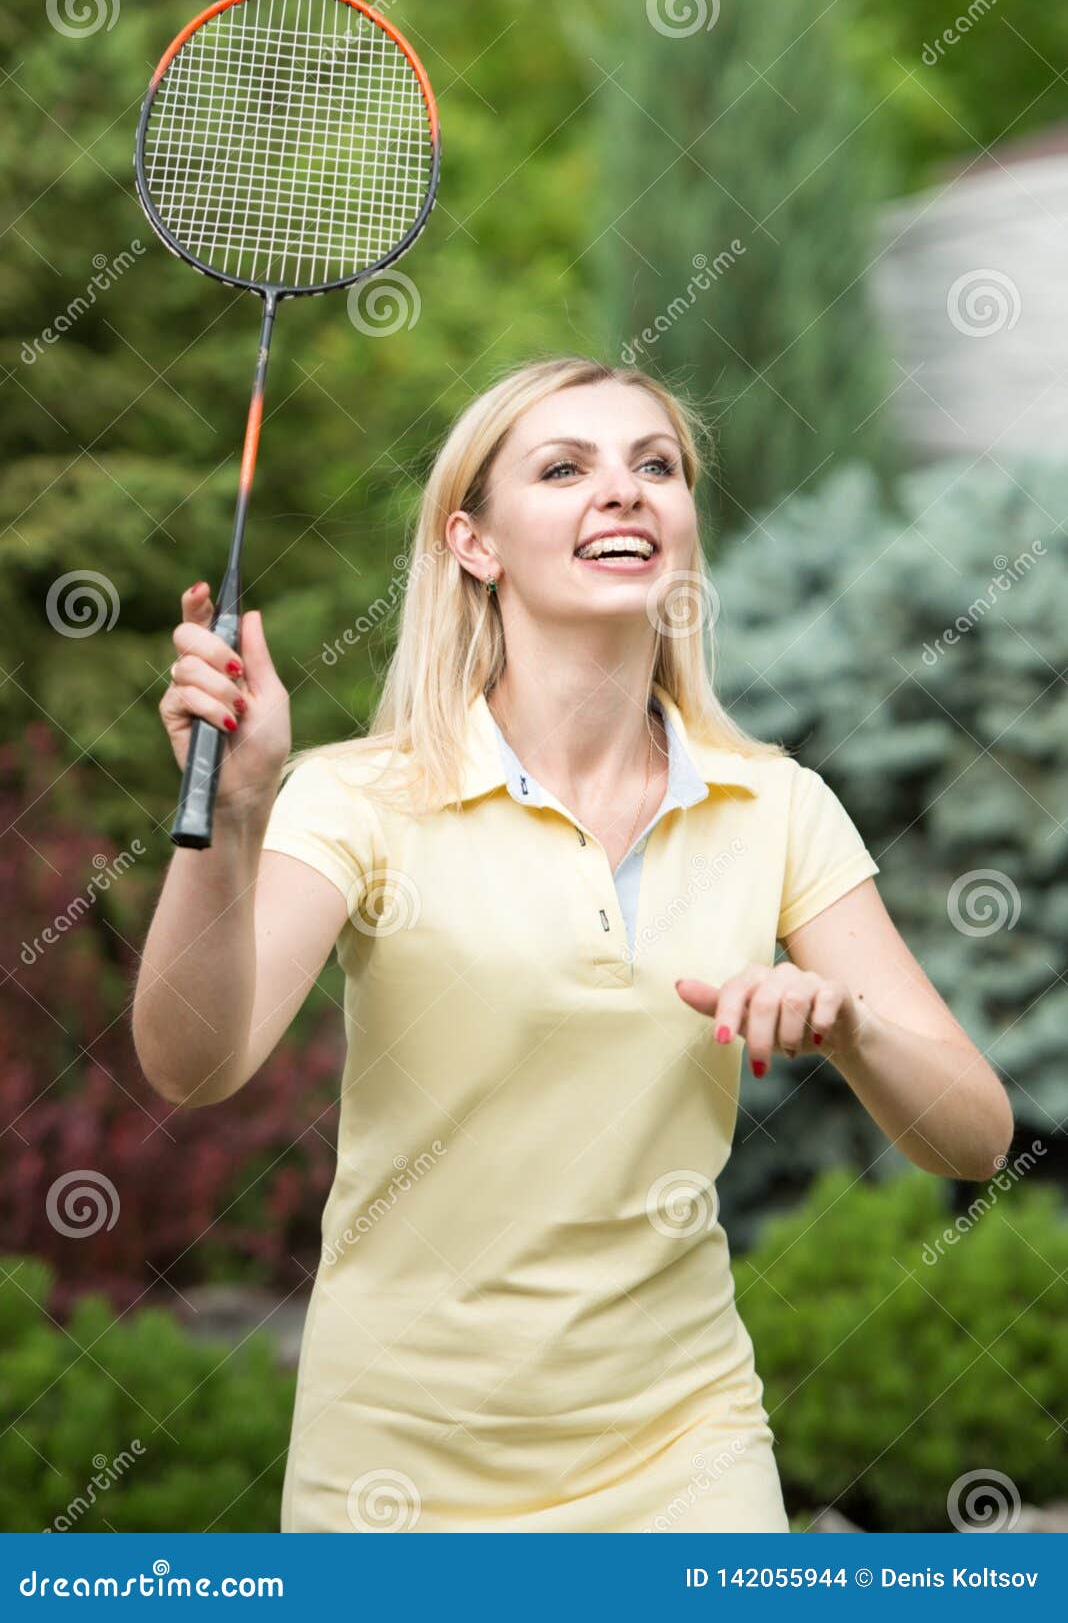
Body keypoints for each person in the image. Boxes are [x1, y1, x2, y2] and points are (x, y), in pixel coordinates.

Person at [132, 355, 1014, 1533]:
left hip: (684, 1457)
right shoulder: (360, 797)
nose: (626, 491)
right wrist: (231, 821)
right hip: (396, 1467)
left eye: (656, 465)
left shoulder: (776, 804)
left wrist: (850, 1026)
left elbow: (974, 1133)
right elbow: (196, 1064)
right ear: (474, 543)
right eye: (565, 469)